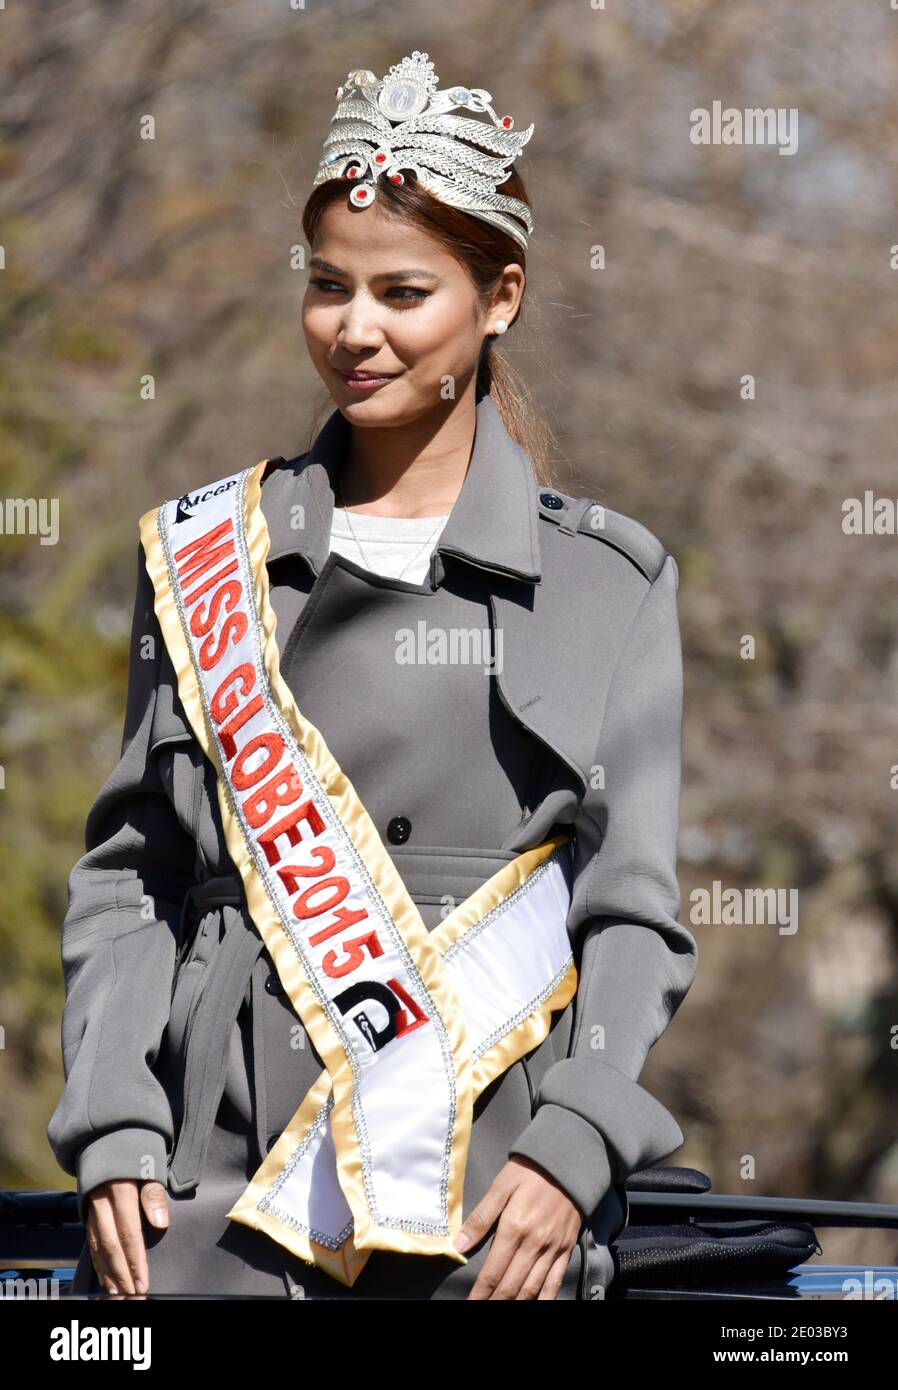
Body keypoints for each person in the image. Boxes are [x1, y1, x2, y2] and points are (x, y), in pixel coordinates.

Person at [47, 51, 698, 1301]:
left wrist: (576, 1149)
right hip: (210, 1186)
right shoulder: (205, 555)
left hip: (487, 1193)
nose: (355, 330)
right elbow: (133, 880)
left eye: (403, 292)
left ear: (499, 297)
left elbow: (633, 913)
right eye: (328, 287)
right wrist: (114, 1117)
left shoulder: (607, 580)